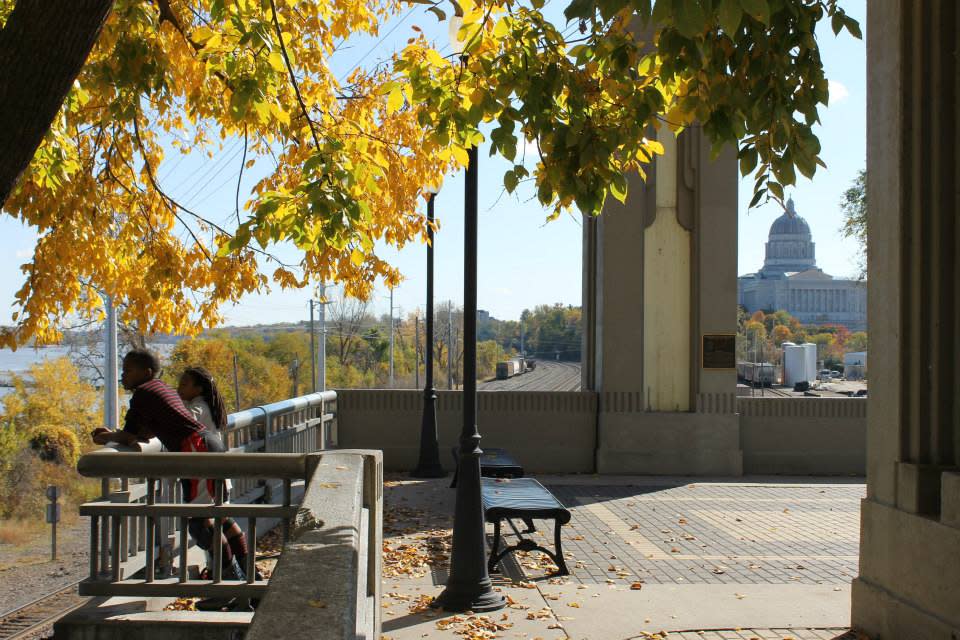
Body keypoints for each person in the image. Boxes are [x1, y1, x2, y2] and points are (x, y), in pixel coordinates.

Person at [92, 349, 253, 610]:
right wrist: (123, 435)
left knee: (201, 524)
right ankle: (248, 580)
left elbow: (133, 434)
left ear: (146, 372)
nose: (123, 374)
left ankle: (230, 589)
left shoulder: (144, 393)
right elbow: (144, 432)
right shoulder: (160, 389)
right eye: (123, 369)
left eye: (128, 370)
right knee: (220, 518)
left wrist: (106, 438)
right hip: (208, 445)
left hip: (196, 448)